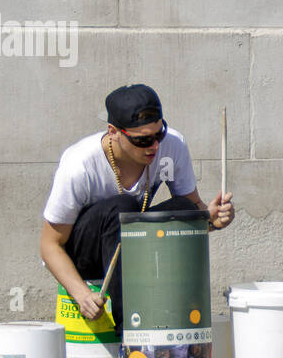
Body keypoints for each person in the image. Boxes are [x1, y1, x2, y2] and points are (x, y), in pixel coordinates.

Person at [39, 84, 234, 337]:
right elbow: (49, 245)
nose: (153, 146)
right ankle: (129, 334)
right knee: (124, 208)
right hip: (87, 258)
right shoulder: (80, 165)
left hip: (133, 247)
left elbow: (192, 207)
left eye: (158, 134)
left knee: (184, 209)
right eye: (142, 140)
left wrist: (210, 219)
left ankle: (180, 323)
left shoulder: (172, 146)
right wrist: (82, 294)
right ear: (113, 132)